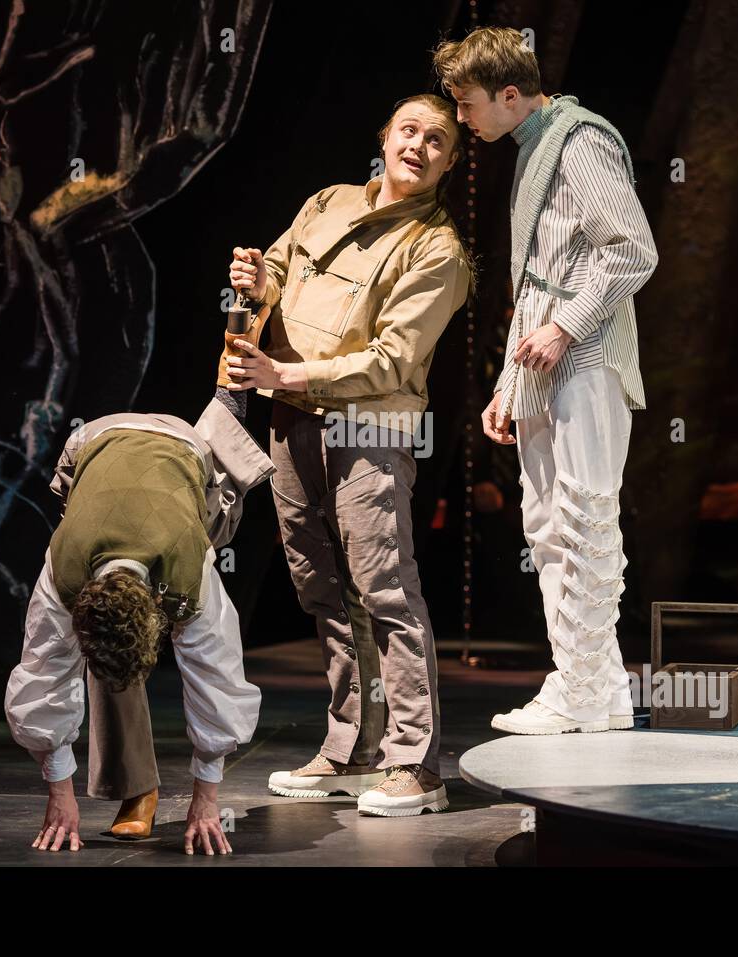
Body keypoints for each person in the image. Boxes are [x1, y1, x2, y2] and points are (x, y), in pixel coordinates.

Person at [220, 93, 473, 816]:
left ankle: (417, 765)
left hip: (370, 426)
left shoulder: (438, 248)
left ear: (449, 161)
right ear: (384, 137)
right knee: (319, 585)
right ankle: (352, 749)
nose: (418, 146)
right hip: (293, 416)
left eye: (437, 140)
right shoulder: (328, 201)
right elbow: (280, 267)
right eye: (408, 131)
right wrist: (256, 279)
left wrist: (284, 374)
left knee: (385, 587)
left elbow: (393, 360)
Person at [433, 27, 658, 734]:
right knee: (551, 523)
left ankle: (580, 692)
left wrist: (565, 327)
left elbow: (631, 249)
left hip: (585, 355)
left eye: (468, 105)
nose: (462, 119)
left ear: (509, 94)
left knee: (585, 517)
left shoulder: (580, 140)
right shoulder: (539, 142)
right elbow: (537, 282)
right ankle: (600, 685)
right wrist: (509, 381)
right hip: (549, 359)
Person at [4, 386, 272, 853]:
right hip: (91, 444)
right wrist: (59, 795)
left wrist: (207, 800)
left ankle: (230, 396)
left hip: (186, 448)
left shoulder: (190, 573)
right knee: (89, 652)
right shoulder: (62, 574)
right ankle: (135, 785)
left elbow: (218, 678)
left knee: (217, 524)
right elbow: (42, 676)